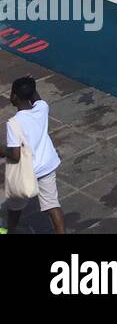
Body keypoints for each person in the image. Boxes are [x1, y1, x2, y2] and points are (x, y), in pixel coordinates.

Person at [3, 77, 65, 235]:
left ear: (14, 97)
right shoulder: (42, 108)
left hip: (27, 171)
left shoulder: (14, 123)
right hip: (47, 166)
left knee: (15, 204)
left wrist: (2, 150)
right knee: (52, 204)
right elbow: (36, 98)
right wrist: (31, 86)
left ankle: (11, 230)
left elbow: (15, 155)